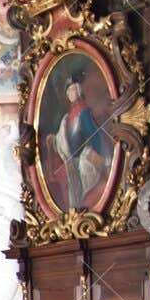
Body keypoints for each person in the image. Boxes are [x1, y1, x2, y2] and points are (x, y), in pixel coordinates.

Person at [50, 67, 110, 210]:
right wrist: (54, 139)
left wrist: (100, 155)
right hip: (73, 162)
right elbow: (63, 137)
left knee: (84, 190)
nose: (72, 93)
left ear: (79, 91)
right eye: (70, 91)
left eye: (74, 90)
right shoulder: (68, 117)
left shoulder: (83, 112)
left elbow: (93, 134)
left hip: (84, 159)